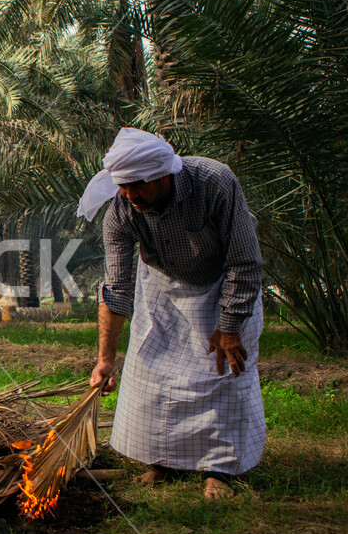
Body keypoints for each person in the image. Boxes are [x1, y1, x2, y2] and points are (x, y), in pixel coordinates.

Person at [76, 127, 265, 501]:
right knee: (152, 374)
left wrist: (228, 328)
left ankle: (218, 471)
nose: (131, 195)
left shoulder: (214, 183)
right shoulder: (121, 211)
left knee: (222, 374)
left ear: (165, 173)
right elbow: (116, 288)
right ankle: (161, 461)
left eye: (139, 185)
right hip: (161, 288)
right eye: (124, 186)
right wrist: (104, 360)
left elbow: (244, 262)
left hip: (221, 285)